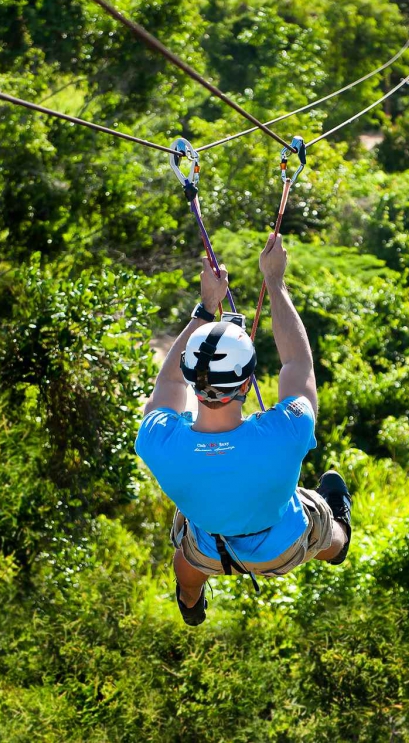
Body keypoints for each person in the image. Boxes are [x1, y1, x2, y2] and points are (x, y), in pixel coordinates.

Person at [135, 236, 351, 626]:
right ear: (248, 385)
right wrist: (275, 282)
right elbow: (298, 365)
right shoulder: (284, 433)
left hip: (208, 544)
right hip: (280, 547)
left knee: (186, 558)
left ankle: (190, 598)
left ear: (191, 381)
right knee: (321, 525)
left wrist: (203, 311)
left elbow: (166, 389)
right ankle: (339, 543)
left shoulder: (157, 442)